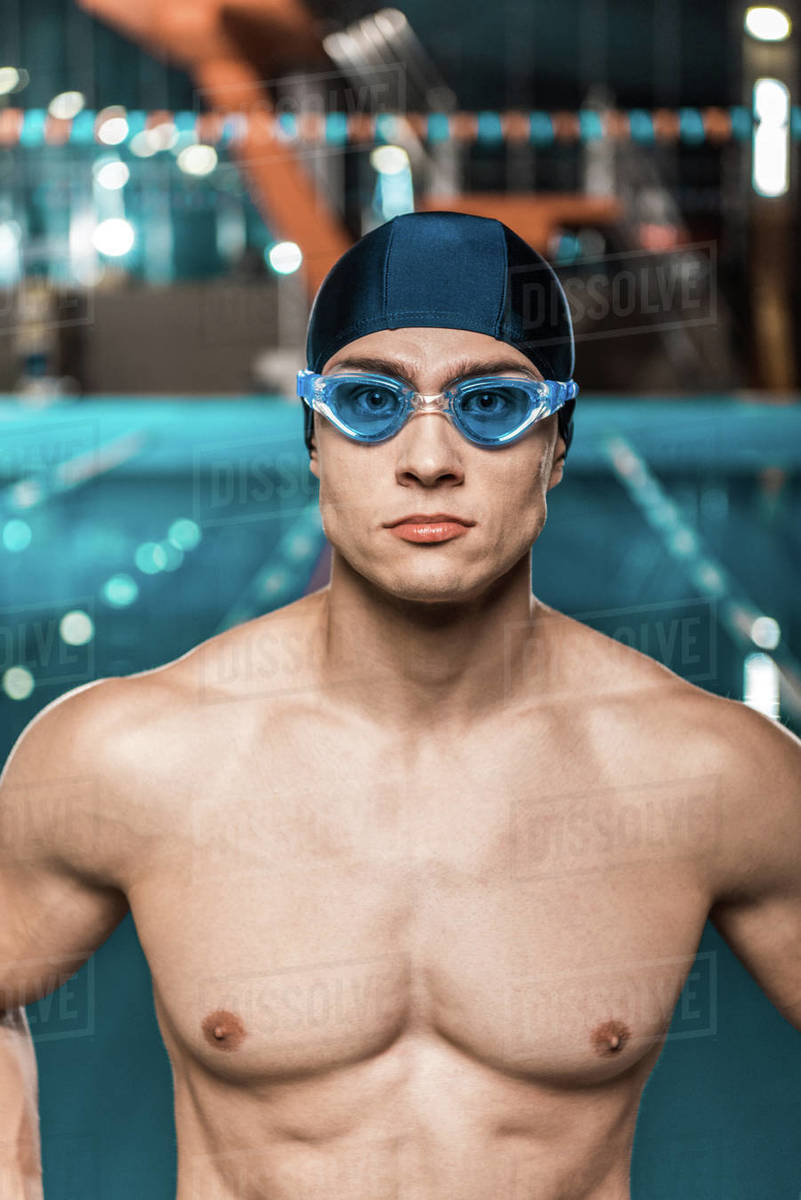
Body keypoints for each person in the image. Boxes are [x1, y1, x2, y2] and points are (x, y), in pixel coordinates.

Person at [1, 212, 800, 1200]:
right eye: (370, 402)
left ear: (556, 444)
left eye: (493, 404)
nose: (429, 457)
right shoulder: (134, 752)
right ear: (313, 443)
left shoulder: (713, 772)